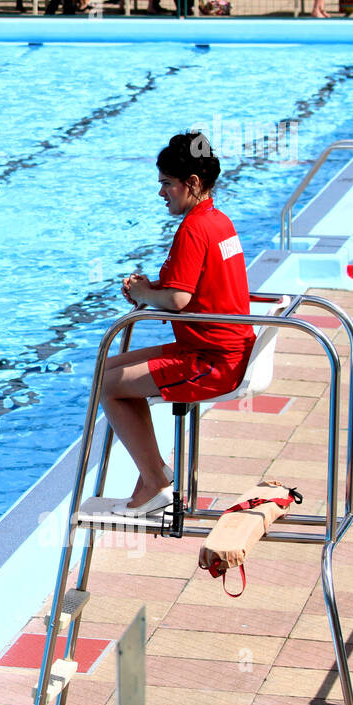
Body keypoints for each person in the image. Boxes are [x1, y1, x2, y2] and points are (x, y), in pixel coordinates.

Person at [100, 132, 255, 516]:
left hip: (214, 361)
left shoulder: (193, 228)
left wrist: (142, 294)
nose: (162, 193)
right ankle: (153, 472)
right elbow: (188, 289)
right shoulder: (218, 221)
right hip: (218, 347)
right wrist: (148, 289)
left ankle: (155, 480)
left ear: (193, 184)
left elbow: (178, 300)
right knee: (107, 370)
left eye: (167, 184)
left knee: (109, 385)